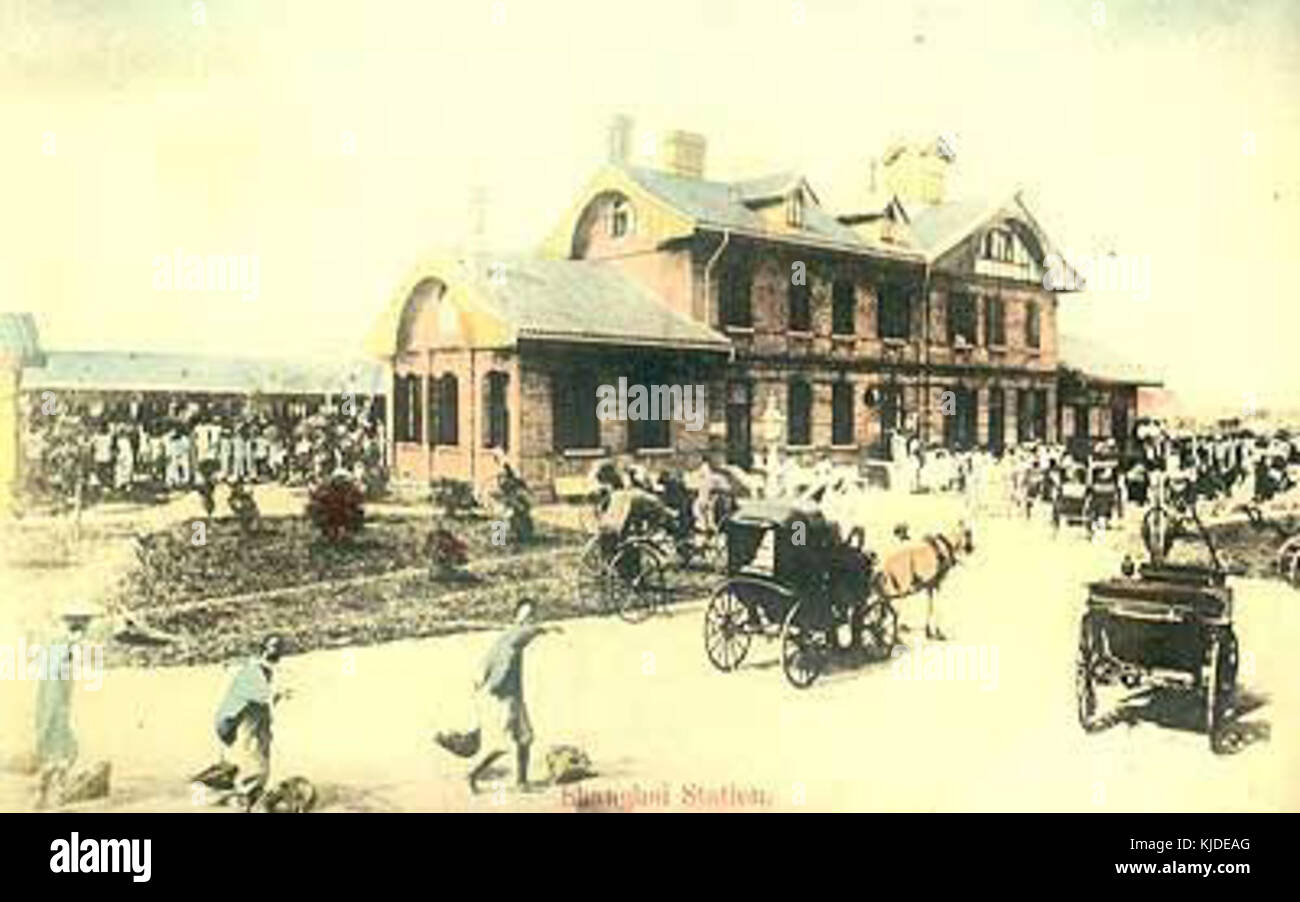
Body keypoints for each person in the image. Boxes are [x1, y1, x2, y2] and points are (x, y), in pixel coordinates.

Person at [467, 599, 562, 793]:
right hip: (507, 697)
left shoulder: (506, 636)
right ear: (516, 616)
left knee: (525, 737)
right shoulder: (513, 634)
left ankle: (521, 782)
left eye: (531, 615)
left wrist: (481, 677)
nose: (528, 619)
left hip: (514, 696)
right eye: (525, 615)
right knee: (504, 743)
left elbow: (489, 659)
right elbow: (521, 636)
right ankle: (474, 775)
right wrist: (546, 629)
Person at [33, 601, 99, 808]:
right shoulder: (63, 642)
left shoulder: (58, 640)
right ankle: (53, 793)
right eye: (84, 621)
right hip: (55, 711)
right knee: (59, 754)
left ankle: (47, 795)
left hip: (50, 709)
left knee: (54, 754)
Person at [212, 635, 289, 810]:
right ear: (264, 648)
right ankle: (250, 790)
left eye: (279, 647)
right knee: (255, 745)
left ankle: (251, 787)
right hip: (236, 719)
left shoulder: (260, 668)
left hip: (236, 718)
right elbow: (261, 696)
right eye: (273, 647)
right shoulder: (253, 670)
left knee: (260, 740)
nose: (277, 651)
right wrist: (278, 694)